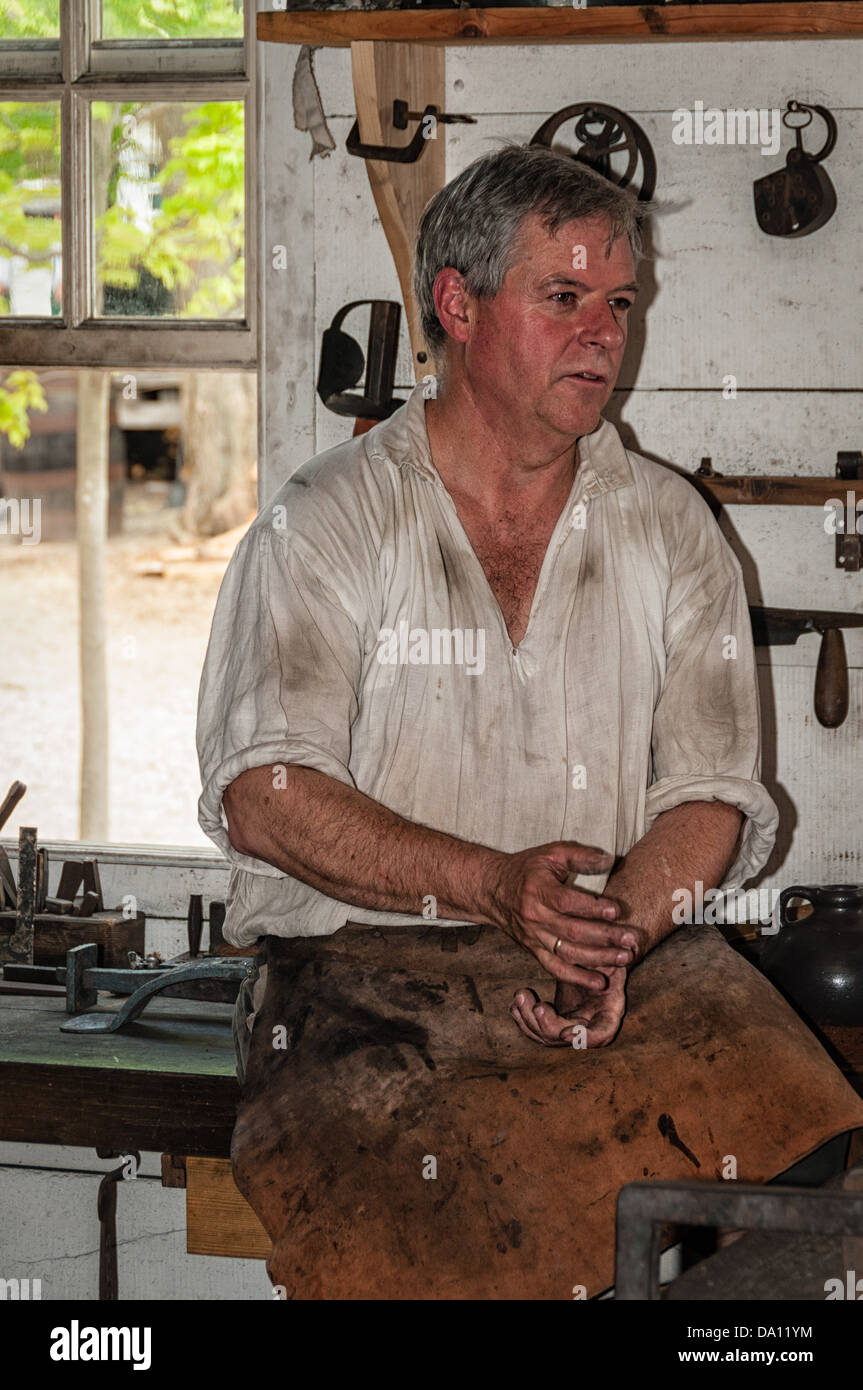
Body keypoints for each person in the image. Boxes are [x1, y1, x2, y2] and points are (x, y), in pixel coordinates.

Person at [195, 145, 862, 1299]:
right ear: (457, 303)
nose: (604, 335)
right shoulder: (326, 523)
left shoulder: (666, 525)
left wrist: (612, 936)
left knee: (808, 1154)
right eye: (563, 298)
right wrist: (492, 886)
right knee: (436, 1217)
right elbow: (267, 795)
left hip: (615, 953)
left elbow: (707, 794)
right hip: (361, 982)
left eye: (618, 304)